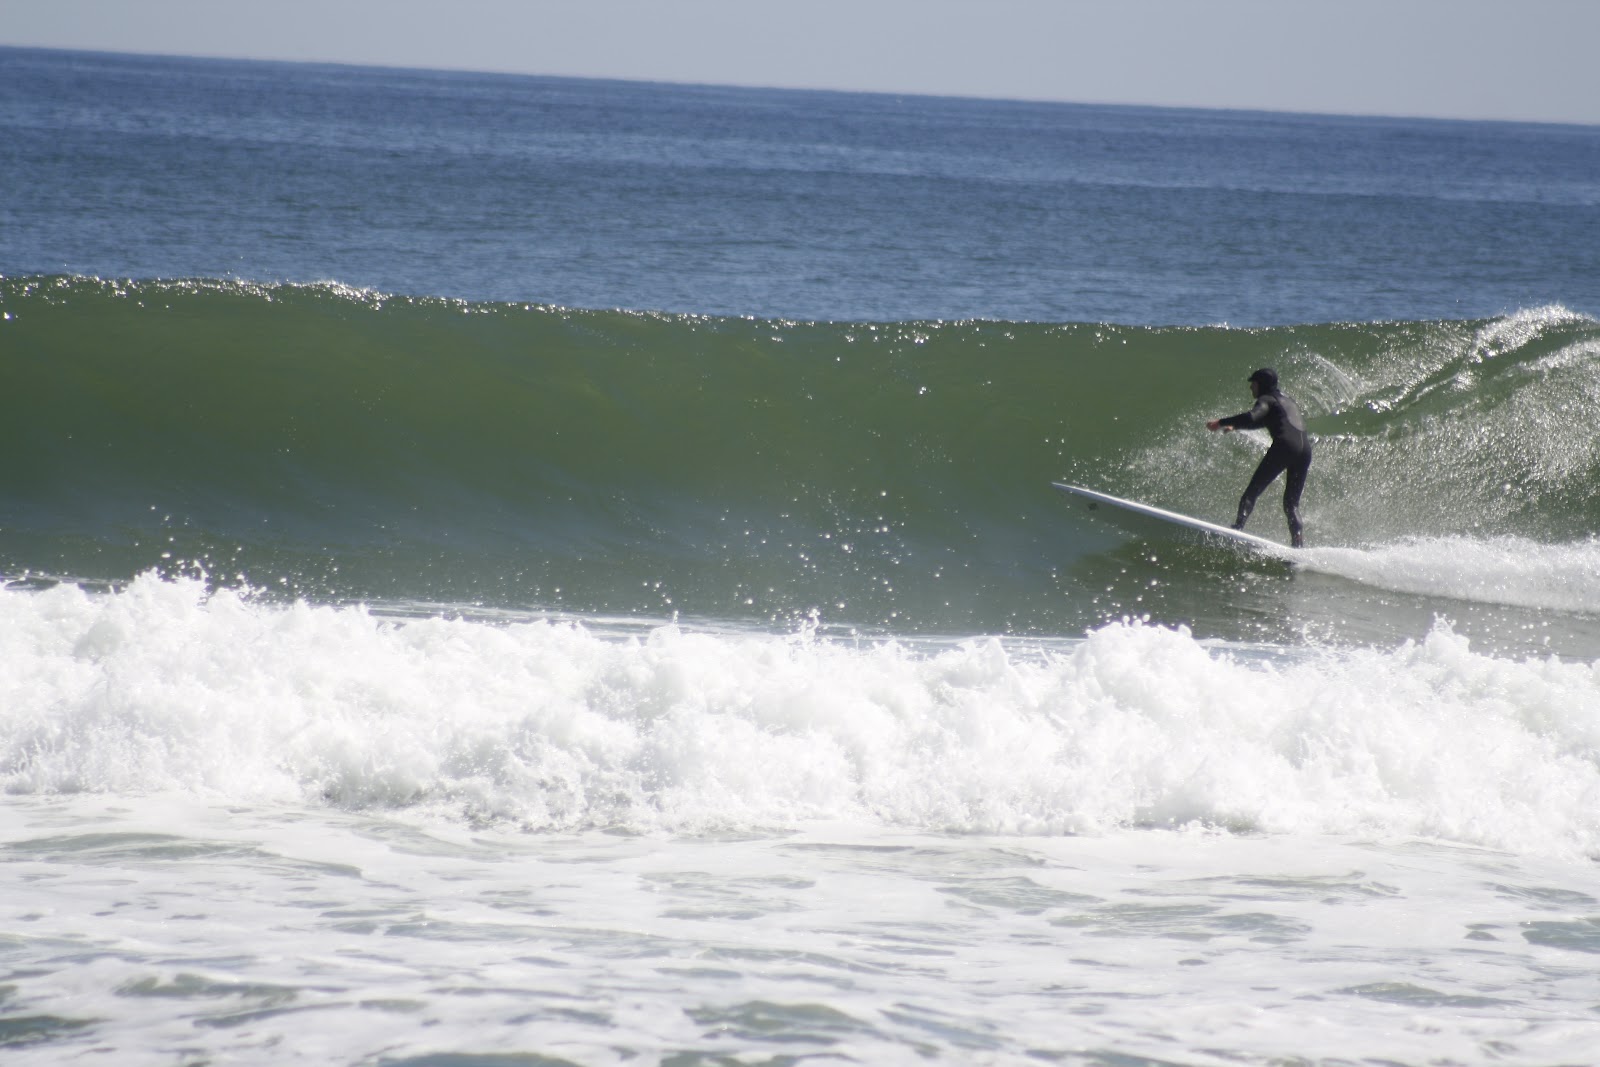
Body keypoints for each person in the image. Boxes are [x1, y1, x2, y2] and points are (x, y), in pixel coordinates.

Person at [1206, 367, 1312, 547]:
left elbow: (1252, 416)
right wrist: (1236, 427)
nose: (1251, 388)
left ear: (1261, 384)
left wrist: (1221, 422)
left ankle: (1237, 529)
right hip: (1305, 452)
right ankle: (1298, 544)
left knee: (1252, 492)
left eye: (1253, 384)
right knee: (1291, 504)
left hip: (1285, 448)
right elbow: (1265, 421)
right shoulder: (1286, 401)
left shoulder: (1266, 399)